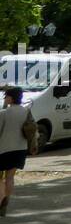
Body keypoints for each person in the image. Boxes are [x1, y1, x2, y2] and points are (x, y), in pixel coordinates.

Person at [0, 86, 37, 217]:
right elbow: (33, 129)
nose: (5, 99)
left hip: (3, 150)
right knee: (10, 177)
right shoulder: (26, 111)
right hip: (20, 149)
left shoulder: (4, 113)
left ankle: (0, 200)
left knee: (0, 179)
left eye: (6, 97)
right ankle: (5, 201)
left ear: (10, 98)